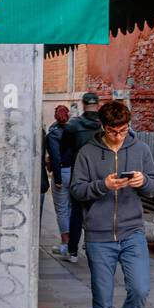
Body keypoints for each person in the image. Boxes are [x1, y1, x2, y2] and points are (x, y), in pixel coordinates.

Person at [69, 99, 154, 308]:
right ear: (103, 126)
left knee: (140, 289)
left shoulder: (141, 149)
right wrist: (103, 185)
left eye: (123, 130)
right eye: (113, 131)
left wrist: (143, 182)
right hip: (99, 235)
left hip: (132, 231)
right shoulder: (87, 152)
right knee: (102, 297)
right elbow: (77, 190)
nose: (119, 136)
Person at [60, 92, 104, 262]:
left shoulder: (73, 125)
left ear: (83, 105)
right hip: (100, 172)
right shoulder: (104, 125)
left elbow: (64, 149)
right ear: (97, 105)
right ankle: (95, 249)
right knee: (98, 211)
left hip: (79, 172)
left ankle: (73, 252)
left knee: (76, 212)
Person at [46, 105, 72, 255]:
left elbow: (55, 156)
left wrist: (58, 179)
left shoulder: (53, 134)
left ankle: (65, 244)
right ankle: (74, 244)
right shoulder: (73, 132)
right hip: (74, 172)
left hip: (61, 172)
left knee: (62, 210)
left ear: (55, 116)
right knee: (71, 208)